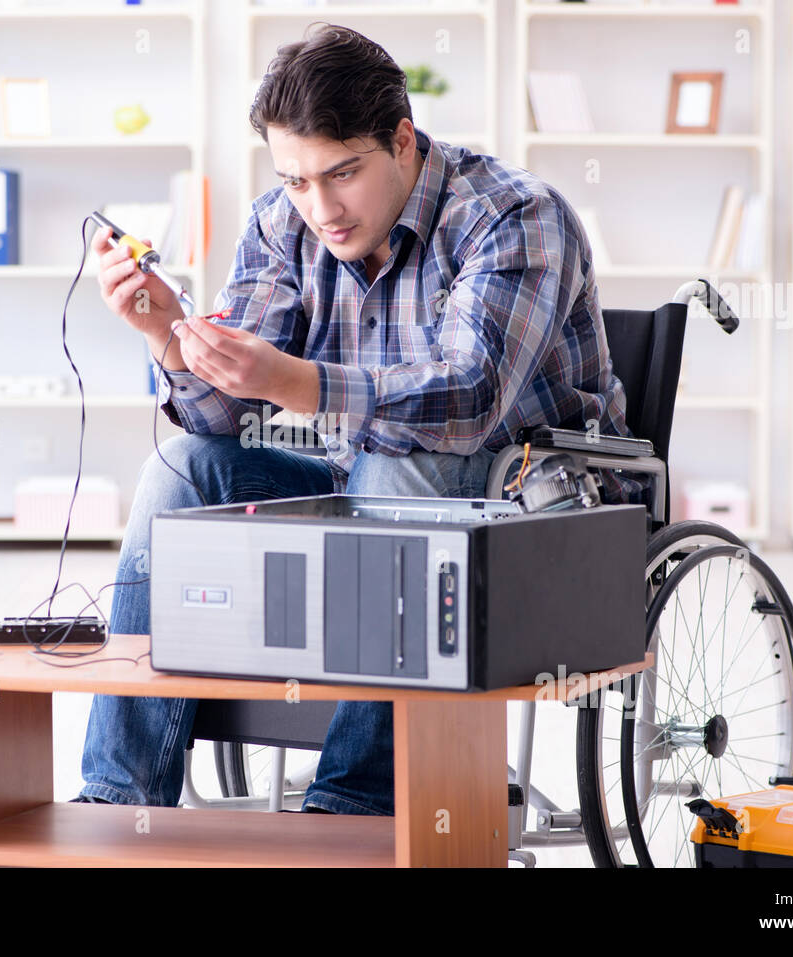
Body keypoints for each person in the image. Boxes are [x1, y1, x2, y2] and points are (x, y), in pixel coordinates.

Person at [76, 23, 650, 815]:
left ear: (403, 139)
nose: (320, 207)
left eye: (341, 173)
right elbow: (224, 415)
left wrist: (298, 381)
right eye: (297, 180)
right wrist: (168, 335)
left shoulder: (513, 217)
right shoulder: (285, 221)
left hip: (540, 513)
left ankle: (353, 808)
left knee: (397, 468)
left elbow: (467, 400)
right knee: (182, 466)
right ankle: (118, 798)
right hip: (375, 501)